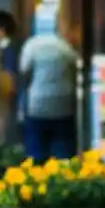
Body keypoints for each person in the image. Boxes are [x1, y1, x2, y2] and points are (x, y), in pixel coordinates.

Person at [17, 14, 79, 163]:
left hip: (37, 104)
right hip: (64, 104)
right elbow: (74, 71)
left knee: (36, 148)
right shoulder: (65, 47)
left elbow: (24, 72)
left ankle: (37, 172)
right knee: (64, 149)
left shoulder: (31, 46)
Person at [0, 10, 21, 144]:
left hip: (6, 100)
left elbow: (8, 78)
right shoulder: (6, 47)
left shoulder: (8, 49)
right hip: (2, 100)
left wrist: (3, 104)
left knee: (5, 133)